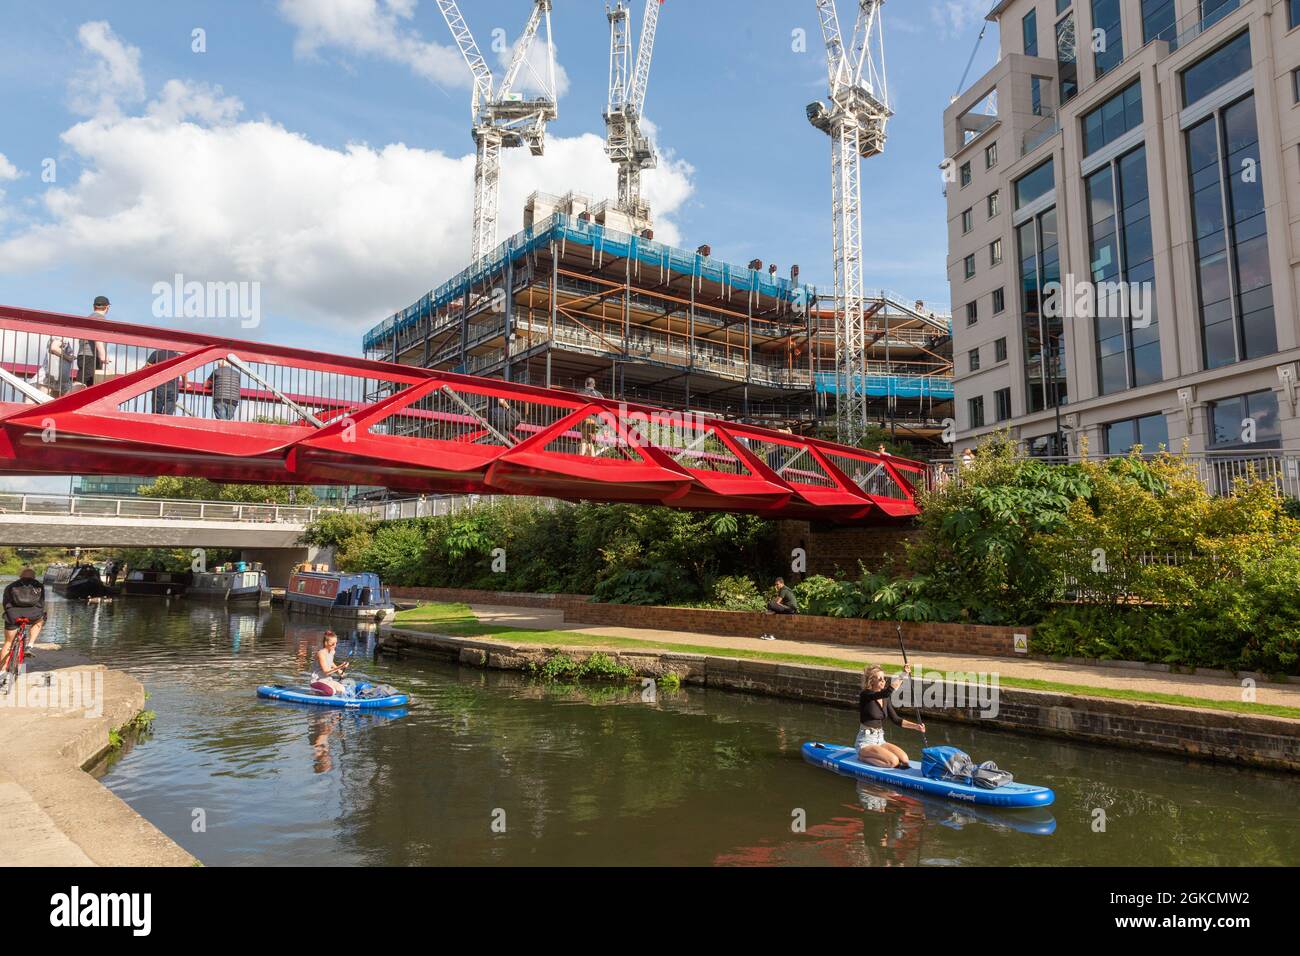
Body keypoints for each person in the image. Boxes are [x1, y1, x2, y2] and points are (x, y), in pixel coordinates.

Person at [857, 664, 925, 769]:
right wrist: (903, 674)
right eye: (879, 679)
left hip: (880, 740)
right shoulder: (866, 695)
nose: (883, 681)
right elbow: (887, 692)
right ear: (871, 681)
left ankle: (877, 756)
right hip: (866, 742)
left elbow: (896, 719)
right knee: (893, 762)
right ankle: (862, 756)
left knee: (905, 759)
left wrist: (916, 726)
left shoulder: (885, 699)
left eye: (884, 678)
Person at [2, 568, 46, 669]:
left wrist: (10, 613)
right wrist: (38, 613)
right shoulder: (39, 586)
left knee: (8, 642)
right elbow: (41, 603)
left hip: (13, 615)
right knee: (40, 620)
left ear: (20, 576)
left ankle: (2, 671)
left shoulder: (11, 586)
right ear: (34, 577)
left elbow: (6, 603)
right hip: (33, 615)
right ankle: (30, 644)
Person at [78, 296, 113, 388]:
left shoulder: (89, 318)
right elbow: (98, 337)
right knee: (87, 386)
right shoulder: (100, 318)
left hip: (83, 355)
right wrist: (103, 354)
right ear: (107, 307)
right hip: (91, 356)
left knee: (82, 383)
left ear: (94, 307)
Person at [310, 631, 350, 696]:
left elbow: (330, 662)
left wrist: (339, 671)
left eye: (336, 643)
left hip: (327, 680)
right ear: (326, 643)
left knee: (342, 690)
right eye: (333, 644)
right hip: (317, 681)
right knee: (332, 691)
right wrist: (340, 666)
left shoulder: (332, 651)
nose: (335, 646)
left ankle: (324, 690)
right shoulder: (321, 653)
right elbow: (326, 672)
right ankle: (314, 690)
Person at [145, 348, 181, 414]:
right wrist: (185, 384)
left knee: (156, 414)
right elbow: (184, 374)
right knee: (167, 416)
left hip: (159, 387)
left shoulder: (157, 353)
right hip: (173, 389)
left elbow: (147, 367)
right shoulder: (178, 356)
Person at [579, 377, 604, 456]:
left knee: (584, 440)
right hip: (595, 421)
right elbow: (604, 405)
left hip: (585, 419)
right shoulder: (599, 394)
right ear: (594, 385)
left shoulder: (581, 393)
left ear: (586, 384)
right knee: (589, 441)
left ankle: (580, 457)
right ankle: (592, 459)